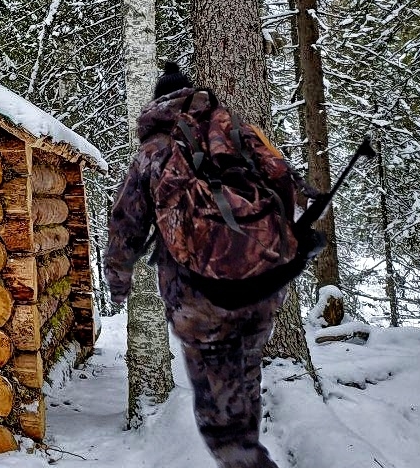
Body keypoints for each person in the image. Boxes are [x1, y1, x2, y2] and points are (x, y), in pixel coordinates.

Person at [105, 62, 310, 468]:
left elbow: (125, 225)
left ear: (158, 104)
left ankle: (245, 459)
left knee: (219, 415)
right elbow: (289, 185)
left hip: (198, 297)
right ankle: (248, 446)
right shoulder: (238, 133)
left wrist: (118, 285)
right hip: (264, 283)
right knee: (245, 375)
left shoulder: (154, 151)